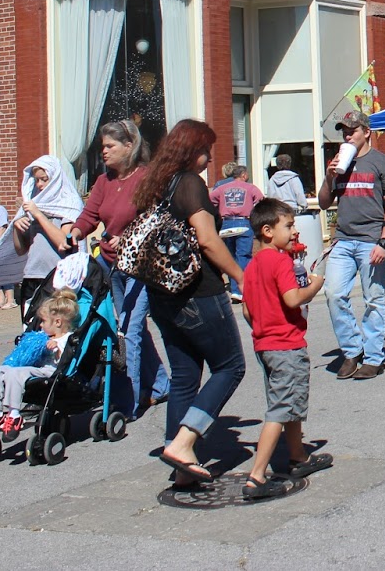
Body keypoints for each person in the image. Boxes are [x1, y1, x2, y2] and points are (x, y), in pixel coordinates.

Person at [137, 119, 247, 488]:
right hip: (198, 292)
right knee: (230, 367)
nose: (209, 157)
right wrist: (241, 277)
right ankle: (186, 443)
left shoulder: (155, 185)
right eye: (206, 150)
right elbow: (209, 241)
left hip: (161, 293)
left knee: (184, 376)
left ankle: (177, 458)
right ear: (192, 150)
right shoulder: (189, 184)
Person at [67, 118, 168, 421]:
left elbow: (158, 219)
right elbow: (90, 215)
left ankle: (128, 401)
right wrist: (76, 231)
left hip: (142, 266)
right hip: (111, 265)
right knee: (126, 327)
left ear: (129, 146)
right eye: (103, 147)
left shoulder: (149, 177)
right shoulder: (103, 181)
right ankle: (161, 384)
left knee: (128, 332)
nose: (104, 152)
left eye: (110, 146)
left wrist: (131, 236)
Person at [239, 198, 333, 499]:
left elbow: (246, 312)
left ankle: (298, 456)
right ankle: (257, 476)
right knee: (279, 410)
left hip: (264, 345)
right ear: (268, 231)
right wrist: (317, 284)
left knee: (289, 402)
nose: (294, 231)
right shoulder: (280, 261)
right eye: (289, 225)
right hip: (286, 345)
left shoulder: (252, 266)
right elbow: (293, 299)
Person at [317, 111, 385, 380]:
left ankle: (374, 357)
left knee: (373, 299)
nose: (347, 135)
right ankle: (352, 350)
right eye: (344, 131)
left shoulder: (381, 162)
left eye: (352, 130)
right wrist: (330, 177)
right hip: (343, 238)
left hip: (371, 239)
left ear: (367, 131)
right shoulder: (339, 162)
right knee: (334, 294)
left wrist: (384, 243)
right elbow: (323, 203)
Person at [0, 289, 79, 439]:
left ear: (58, 322)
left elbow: (65, 357)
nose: (40, 326)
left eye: (44, 322)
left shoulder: (68, 338)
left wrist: (55, 348)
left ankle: (14, 414)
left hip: (50, 371)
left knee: (15, 373)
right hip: (33, 368)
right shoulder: (42, 337)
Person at [11, 156, 84, 319]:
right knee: (30, 330)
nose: (39, 185)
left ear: (55, 179)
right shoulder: (33, 204)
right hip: (32, 276)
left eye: (44, 179)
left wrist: (38, 214)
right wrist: (17, 227)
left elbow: (65, 242)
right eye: (36, 180)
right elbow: (20, 249)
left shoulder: (68, 203)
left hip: (58, 279)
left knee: (56, 331)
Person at [210, 165, 264, 302]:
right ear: (244, 175)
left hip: (226, 223)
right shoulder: (250, 187)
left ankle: (235, 290)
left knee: (231, 257)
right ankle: (244, 289)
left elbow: (210, 201)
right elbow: (261, 201)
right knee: (243, 256)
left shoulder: (222, 188)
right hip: (244, 222)